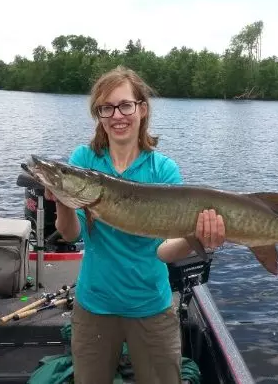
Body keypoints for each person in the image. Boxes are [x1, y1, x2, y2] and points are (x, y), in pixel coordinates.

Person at [45, 66, 226, 384]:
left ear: (142, 109)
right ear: (99, 115)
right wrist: (61, 197)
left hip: (151, 307)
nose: (117, 115)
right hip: (94, 306)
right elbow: (71, 233)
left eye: (125, 105)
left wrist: (197, 239)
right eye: (106, 107)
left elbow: (165, 252)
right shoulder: (84, 160)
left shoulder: (163, 170)